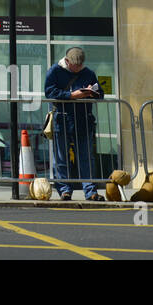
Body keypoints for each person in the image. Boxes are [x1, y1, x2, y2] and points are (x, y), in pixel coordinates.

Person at [44, 47, 105, 202]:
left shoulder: (88, 73)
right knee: (61, 158)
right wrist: (71, 95)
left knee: (86, 157)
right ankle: (65, 191)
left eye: (80, 66)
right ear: (67, 61)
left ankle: (90, 191)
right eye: (74, 66)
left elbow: (101, 94)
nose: (77, 69)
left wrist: (92, 92)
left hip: (83, 120)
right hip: (62, 119)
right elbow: (50, 92)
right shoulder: (55, 71)